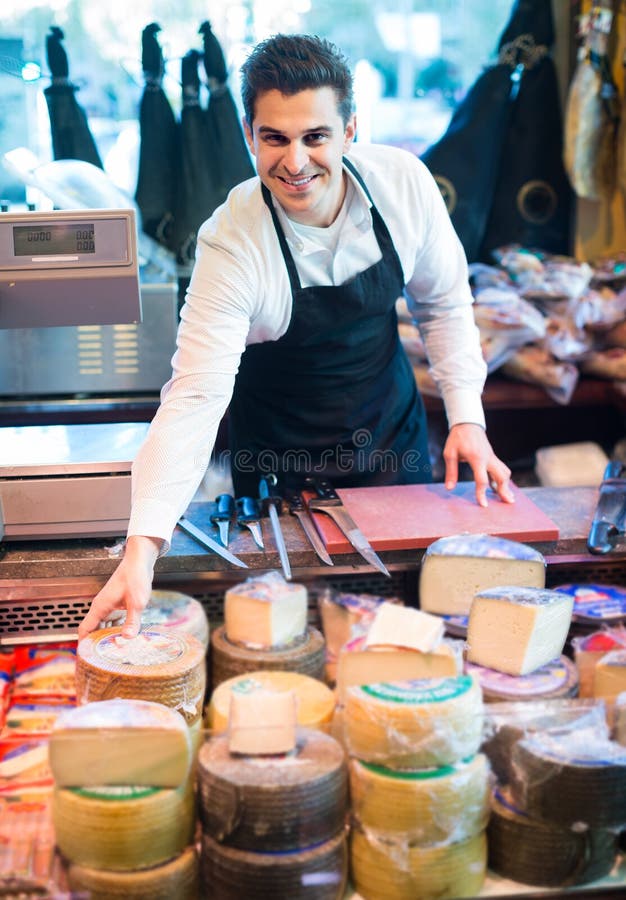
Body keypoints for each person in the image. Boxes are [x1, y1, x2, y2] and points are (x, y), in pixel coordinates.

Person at [79, 33, 514, 640]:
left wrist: (467, 417)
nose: (296, 161)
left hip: (392, 438)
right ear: (249, 134)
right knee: (289, 631)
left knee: (408, 623)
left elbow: (442, 304)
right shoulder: (231, 242)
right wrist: (142, 548)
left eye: (315, 137)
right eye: (275, 138)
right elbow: (195, 397)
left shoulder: (403, 186)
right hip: (279, 465)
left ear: (350, 130)